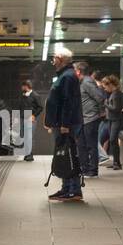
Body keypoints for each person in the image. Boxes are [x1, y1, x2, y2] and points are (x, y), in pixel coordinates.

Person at [44, 46, 83, 202]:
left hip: (66, 124)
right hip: (61, 123)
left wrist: (65, 124)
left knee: (68, 154)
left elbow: (68, 102)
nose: (52, 61)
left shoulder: (67, 76)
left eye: (54, 58)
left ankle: (74, 190)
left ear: (60, 59)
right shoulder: (65, 75)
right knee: (63, 155)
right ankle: (66, 188)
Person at [75, 62, 105, 179]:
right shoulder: (81, 82)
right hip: (83, 119)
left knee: (91, 145)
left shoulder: (87, 82)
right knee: (81, 144)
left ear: (78, 71)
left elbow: (100, 97)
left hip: (90, 118)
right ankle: (85, 168)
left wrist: (99, 112)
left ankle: (92, 170)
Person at [101, 75, 123, 170]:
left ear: (110, 84)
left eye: (105, 87)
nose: (105, 89)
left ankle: (117, 162)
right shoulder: (113, 93)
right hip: (111, 120)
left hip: (116, 120)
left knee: (113, 139)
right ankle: (115, 162)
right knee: (112, 140)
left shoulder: (117, 94)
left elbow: (116, 108)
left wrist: (106, 104)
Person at [16, 79, 41, 161]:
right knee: (24, 136)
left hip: (30, 118)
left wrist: (34, 115)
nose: (21, 88)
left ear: (26, 86)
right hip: (23, 117)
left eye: (22, 86)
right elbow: (20, 107)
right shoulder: (23, 95)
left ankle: (30, 155)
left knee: (29, 137)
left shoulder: (35, 95)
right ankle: (27, 153)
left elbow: (40, 107)